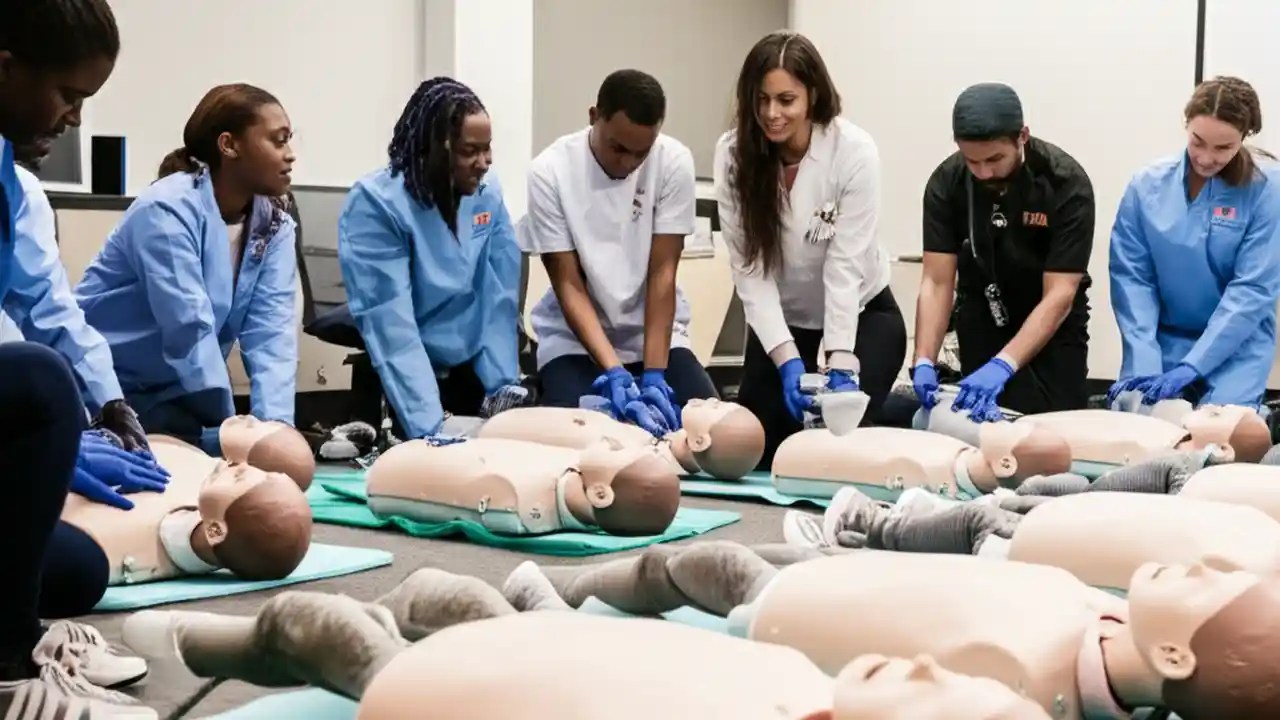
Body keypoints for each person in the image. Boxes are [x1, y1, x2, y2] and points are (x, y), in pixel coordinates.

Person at [0, 1, 162, 716]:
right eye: (68, 95)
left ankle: (20, 627)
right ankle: (6, 670)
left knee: (78, 567)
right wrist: (47, 424)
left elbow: (48, 304)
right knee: (37, 382)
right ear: (6, 68)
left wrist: (109, 402)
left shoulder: (12, 181)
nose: (74, 119)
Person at [715, 31, 904, 469]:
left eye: (786, 100)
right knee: (762, 451)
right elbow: (750, 272)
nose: (771, 114)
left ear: (812, 96)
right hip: (784, 321)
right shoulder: (733, 154)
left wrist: (840, 361)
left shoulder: (853, 151)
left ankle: (897, 414)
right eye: (761, 100)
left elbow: (845, 266)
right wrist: (786, 360)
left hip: (863, 312)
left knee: (839, 443)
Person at [76, 83, 299, 453]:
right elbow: (188, 327)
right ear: (229, 146)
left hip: (175, 396)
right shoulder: (166, 209)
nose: (290, 155)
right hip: (104, 389)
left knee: (266, 459)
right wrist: (236, 433)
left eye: (290, 141)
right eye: (278, 141)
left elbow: (271, 334)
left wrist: (276, 433)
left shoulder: (274, 225)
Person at [522, 69, 716, 437]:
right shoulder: (550, 172)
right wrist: (615, 371)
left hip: (654, 336)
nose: (628, 163)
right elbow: (568, 284)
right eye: (618, 148)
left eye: (641, 153)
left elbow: (663, 274)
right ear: (594, 116)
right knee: (583, 437)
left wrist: (655, 375)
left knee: (709, 432)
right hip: (574, 341)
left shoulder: (673, 161)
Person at [338, 77, 523, 442]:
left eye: (488, 149)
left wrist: (503, 389)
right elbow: (392, 324)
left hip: (473, 362)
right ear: (435, 148)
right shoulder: (377, 204)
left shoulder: (486, 193)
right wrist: (431, 427)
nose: (484, 163)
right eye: (470, 151)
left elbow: (498, 294)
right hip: (407, 375)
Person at [913, 83, 1095, 419]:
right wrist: (924, 358)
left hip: (1051, 317)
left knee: (1055, 428)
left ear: (1022, 136)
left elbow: (1060, 293)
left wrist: (1005, 364)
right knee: (980, 427)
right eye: (972, 161)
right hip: (982, 311)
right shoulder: (946, 183)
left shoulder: (1065, 183)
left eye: (995, 159)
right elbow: (937, 282)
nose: (984, 172)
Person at [1108, 76, 1280, 410]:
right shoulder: (1147, 185)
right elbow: (1132, 278)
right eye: (1197, 141)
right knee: (1138, 419)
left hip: (1237, 345)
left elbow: (1253, 288)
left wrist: (1194, 365)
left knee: (1218, 436)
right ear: (1186, 125)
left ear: (1244, 138)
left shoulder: (1267, 189)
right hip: (1161, 340)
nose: (1205, 157)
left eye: (1223, 148)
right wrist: (1143, 358)